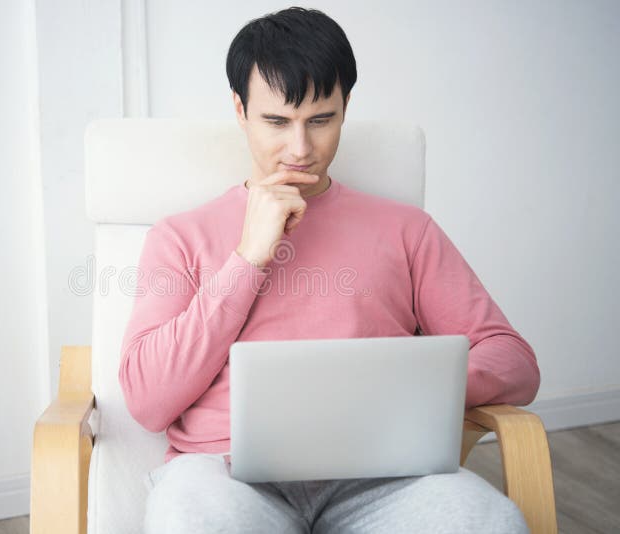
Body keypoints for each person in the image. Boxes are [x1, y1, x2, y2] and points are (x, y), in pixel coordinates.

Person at [119, 6, 540, 533]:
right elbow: (148, 400)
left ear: (345, 108)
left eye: (321, 120)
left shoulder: (407, 230)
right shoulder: (180, 236)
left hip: (383, 475)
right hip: (224, 476)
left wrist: (411, 389)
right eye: (277, 122)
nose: (300, 149)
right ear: (240, 110)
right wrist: (248, 258)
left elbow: (513, 359)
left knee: (487, 520)